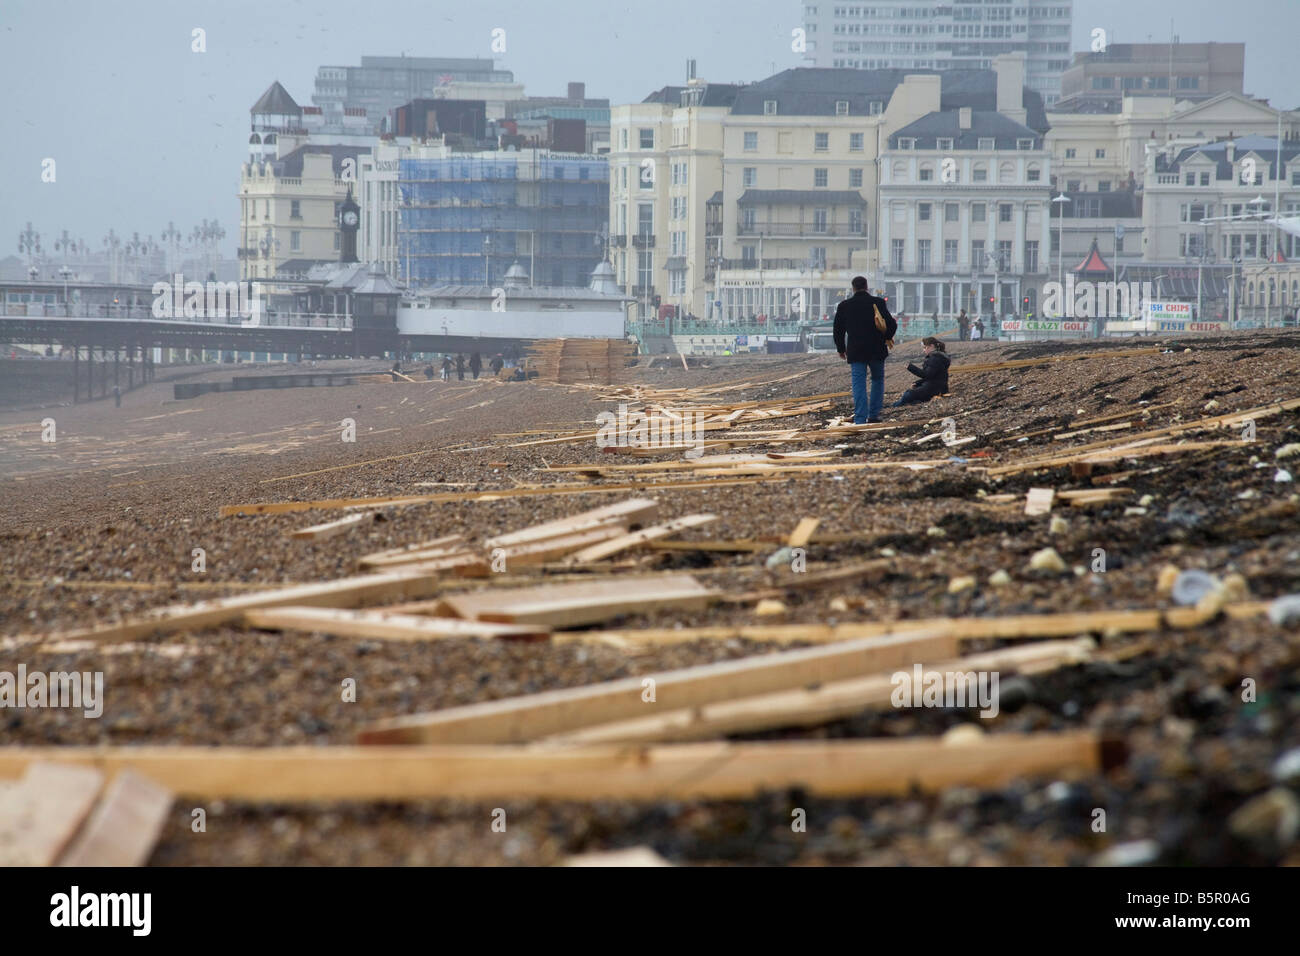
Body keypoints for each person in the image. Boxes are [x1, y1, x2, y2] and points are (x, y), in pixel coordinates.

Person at [833, 275, 897, 424]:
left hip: (856, 351)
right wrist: (885, 337)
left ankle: (860, 418)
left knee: (859, 383)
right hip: (877, 349)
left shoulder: (844, 306)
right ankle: (874, 415)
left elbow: (838, 330)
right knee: (877, 380)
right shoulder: (878, 303)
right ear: (867, 287)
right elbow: (892, 324)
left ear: (853, 288)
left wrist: (841, 348)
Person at [892, 337, 950, 407]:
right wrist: (918, 383)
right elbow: (932, 376)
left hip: (935, 388)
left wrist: (910, 367)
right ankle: (899, 403)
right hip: (939, 387)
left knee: (908, 394)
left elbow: (926, 375)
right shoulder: (938, 357)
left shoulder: (935, 359)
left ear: (931, 346)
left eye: (925, 347)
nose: (923, 350)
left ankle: (895, 405)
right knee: (912, 391)